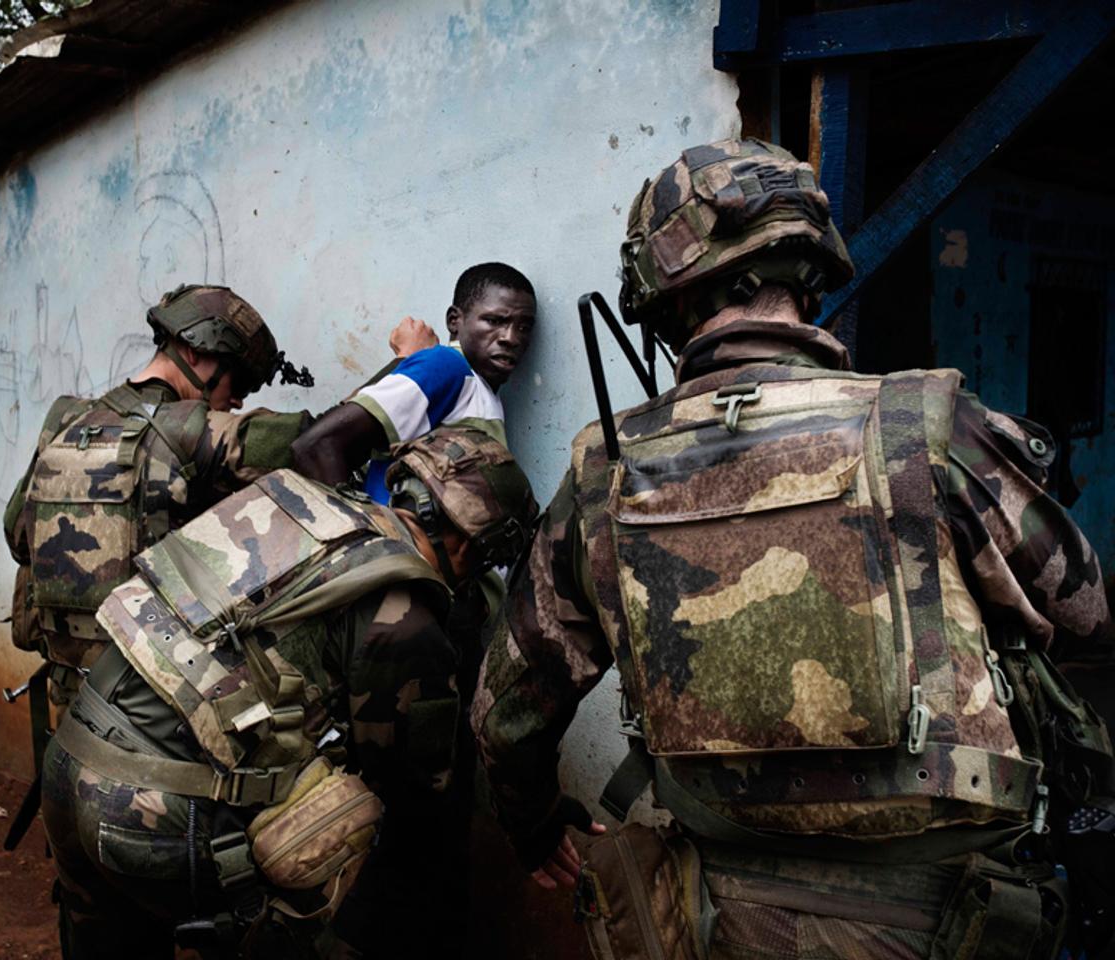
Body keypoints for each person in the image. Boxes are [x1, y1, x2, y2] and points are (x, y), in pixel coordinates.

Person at [472, 138, 1115, 959]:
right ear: (806, 277)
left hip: (712, 914)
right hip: (952, 914)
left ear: (664, 299)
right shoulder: (925, 426)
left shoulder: (608, 471)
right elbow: (1087, 617)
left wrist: (534, 826)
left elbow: (504, 713)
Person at [40, 426, 539, 959]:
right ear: (467, 545)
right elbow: (413, 789)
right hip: (148, 811)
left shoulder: (296, 501)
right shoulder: (407, 612)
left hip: (68, 756)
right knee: (343, 831)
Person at [1, 284, 428, 846]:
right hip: (154, 713)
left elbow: (17, 532)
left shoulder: (66, 420)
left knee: (89, 884)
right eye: (237, 383)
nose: (235, 400)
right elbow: (321, 440)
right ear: (198, 354)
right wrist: (407, 366)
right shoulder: (195, 431)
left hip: (68, 702)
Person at [291, 261, 536, 504]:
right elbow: (317, 445)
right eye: (494, 321)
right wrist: (361, 538)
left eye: (524, 327)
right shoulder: (446, 366)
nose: (510, 338)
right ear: (454, 320)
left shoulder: (481, 389)